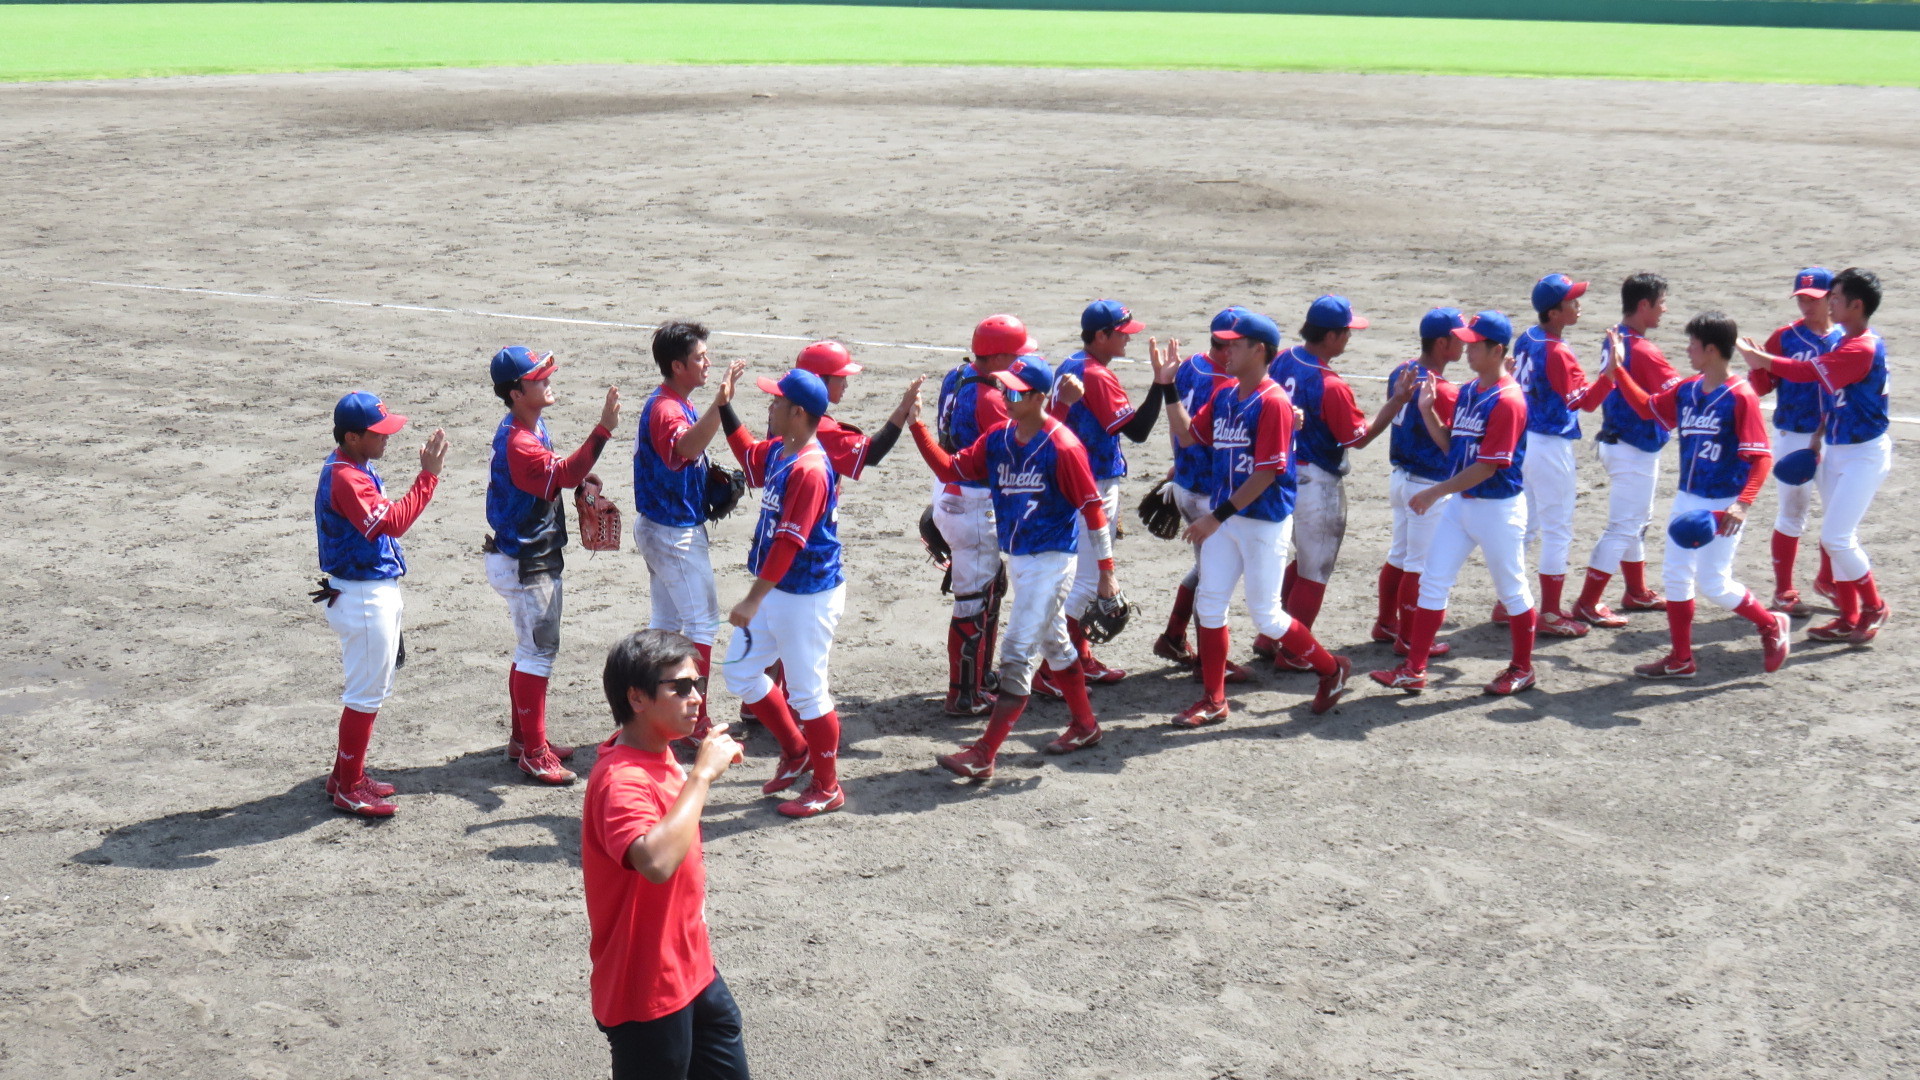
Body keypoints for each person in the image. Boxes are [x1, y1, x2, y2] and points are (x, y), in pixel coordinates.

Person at [908, 356, 1116, 778]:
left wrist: (1107, 574)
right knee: (1056, 643)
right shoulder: (998, 437)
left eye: (1016, 391)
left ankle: (984, 753)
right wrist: (917, 427)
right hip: (1020, 559)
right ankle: (1085, 725)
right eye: (1004, 387)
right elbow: (952, 468)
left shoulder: (1064, 446)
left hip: (1053, 563)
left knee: (1017, 653)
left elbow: (1093, 510)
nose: (1005, 394)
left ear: (1041, 397)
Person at [1172, 310, 1352, 726]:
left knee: (1267, 615)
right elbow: (1186, 435)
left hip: (1262, 521)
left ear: (1258, 349)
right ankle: (1214, 699)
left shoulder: (1272, 402)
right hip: (1227, 518)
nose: (1225, 350)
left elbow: (1267, 472)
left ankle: (1332, 669)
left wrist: (1215, 517)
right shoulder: (1225, 395)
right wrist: (1167, 389)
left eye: (1234, 344)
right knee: (1211, 603)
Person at [584, 630, 750, 1080]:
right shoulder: (620, 781)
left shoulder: (659, 753)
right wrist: (701, 778)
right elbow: (655, 863)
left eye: (697, 684)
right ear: (636, 698)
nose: (695, 697)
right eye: (679, 687)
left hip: (693, 968)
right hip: (646, 990)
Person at [1605, 314, 1791, 677]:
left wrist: (1744, 502)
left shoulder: (1741, 397)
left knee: (1714, 583)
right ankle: (1681, 659)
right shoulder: (1688, 390)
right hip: (1687, 499)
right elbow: (1649, 408)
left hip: (1723, 505)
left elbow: (1761, 457)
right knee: (1675, 576)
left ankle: (1771, 625)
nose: (1687, 350)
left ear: (1710, 349)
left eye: (1693, 344)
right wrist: (1619, 373)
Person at [1370, 310, 1540, 696]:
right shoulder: (1468, 392)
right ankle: (1414, 668)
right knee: (1432, 582)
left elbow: (1487, 467)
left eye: (1475, 345)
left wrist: (1435, 491)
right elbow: (1452, 447)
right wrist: (1428, 411)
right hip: (1463, 505)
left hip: (1497, 509)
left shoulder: (1508, 401)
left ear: (1496, 350)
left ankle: (1522, 668)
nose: (1467, 351)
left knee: (1512, 588)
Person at [485, 346, 620, 786]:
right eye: (538, 377)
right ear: (515, 392)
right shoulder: (519, 441)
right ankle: (534, 753)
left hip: (529, 554)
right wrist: (602, 431)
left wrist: (580, 480)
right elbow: (557, 474)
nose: (547, 379)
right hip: (527, 562)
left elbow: (559, 475)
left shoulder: (530, 424)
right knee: (537, 653)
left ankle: (523, 740)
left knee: (530, 649)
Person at [1738, 267, 1894, 644]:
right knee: (1835, 534)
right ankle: (1850, 614)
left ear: (1854, 305)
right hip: (1833, 447)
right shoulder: (1845, 340)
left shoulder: (1860, 346)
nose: (1826, 304)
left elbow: (1809, 372)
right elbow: (1825, 395)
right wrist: (1817, 440)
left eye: (1834, 298)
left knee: (1837, 537)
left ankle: (1872, 607)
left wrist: (1760, 359)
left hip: (1861, 454)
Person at [312, 392, 447, 817]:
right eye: (378, 432)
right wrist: (428, 477)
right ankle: (349, 788)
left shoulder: (356, 465)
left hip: (367, 590)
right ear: (352, 437)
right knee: (365, 694)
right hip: (362, 596)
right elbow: (392, 523)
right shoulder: (346, 478)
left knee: (373, 688)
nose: (388, 438)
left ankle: (343, 775)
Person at [720, 369, 848, 818]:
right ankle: (796, 750)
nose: (769, 407)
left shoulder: (810, 469)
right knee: (739, 673)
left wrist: (753, 598)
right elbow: (748, 454)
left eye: (776, 403)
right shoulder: (781, 451)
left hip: (806, 595)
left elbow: (790, 543)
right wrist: (723, 407)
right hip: (777, 589)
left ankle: (828, 786)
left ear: (798, 412)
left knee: (809, 694)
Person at [1261, 294, 1398, 668]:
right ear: (1332, 336)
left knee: (1296, 559)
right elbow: (1359, 437)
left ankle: (1269, 636)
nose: (1350, 338)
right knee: (1314, 570)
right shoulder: (1330, 384)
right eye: (1347, 332)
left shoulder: (1284, 357)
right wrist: (1395, 403)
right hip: (1316, 484)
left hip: (1279, 475)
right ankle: (1292, 652)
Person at [632, 320, 747, 742]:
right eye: (700, 358)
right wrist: (721, 403)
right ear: (678, 366)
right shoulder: (665, 408)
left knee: (666, 624)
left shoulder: (674, 401)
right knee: (700, 625)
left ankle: (652, 711)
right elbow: (684, 447)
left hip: (664, 528)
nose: (707, 363)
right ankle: (695, 723)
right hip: (672, 534)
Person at [1052, 299, 1177, 684]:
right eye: (1121, 333)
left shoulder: (1071, 363)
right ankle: (1053, 669)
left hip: (1070, 481)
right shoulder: (1096, 374)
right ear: (1101, 336)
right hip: (1091, 485)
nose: (1128, 338)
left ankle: (1079, 658)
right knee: (1089, 582)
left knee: (1079, 576)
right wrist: (1161, 384)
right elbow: (1137, 431)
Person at [1571, 272, 1682, 628]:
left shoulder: (1617, 336)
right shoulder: (1645, 350)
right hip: (1632, 448)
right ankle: (1588, 603)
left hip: (1620, 442)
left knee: (1637, 521)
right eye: (1661, 302)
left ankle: (1636, 591)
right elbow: (1680, 398)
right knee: (1624, 526)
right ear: (1644, 305)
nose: (1664, 310)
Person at [927, 316, 1024, 715]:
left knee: (989, 588)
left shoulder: (957, 375)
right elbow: (1013, 449)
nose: (1020, 360)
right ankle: (963, 694)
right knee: (973, 599)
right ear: (998, 356)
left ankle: (981, 679)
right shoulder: (989, 400)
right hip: (973, 503)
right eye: (1015, 354)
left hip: (949, 492)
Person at [1510, 274, 1611, 638]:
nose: (1578, 304)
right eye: (1572, 300)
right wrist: (1610, 375)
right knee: (1557, 530)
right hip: (1549, 446)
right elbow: (1584, 403)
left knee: (1526, 525)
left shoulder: (1528, 336)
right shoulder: (1557, 351)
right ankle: (1550, 613)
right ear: (1554, 312)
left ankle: (1511, 603)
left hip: (1522, 442)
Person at [1151, 308, 1246, 681]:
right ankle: (1209, 663)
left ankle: (1174, 637)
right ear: (1229, 348)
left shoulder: (1189, 365)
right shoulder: (1226, 385)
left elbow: (1177, 420)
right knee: (1217, 575)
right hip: (1209, 493)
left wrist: (1179, 460)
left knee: (1206, 567)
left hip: (1185, 483)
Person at [1748, 268, 1843, 614]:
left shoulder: (1847, 337)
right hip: (1793, 435)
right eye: (1801, 299)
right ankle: (1784, 591)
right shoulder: (1784, 338)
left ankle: (1827, 579)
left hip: (1836, 437)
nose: (1806, 306)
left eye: (1813, 299)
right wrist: (1757, 366)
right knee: (1793, 512)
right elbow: (1759, 389)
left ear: (1832, 298)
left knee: (1838, 513)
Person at [1376, 308, 1465, 657]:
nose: (1466, 343)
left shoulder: (1403, 370)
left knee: (1400, 555)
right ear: (1443, 344)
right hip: (1427, 488)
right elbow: (1455, 445)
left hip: (1400, 479)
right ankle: (1410, 639)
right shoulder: (1443, 391)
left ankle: (1386, 623)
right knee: (1420, 565)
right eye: (1460, 338)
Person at [795, 339, 914, 482]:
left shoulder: (784, 412)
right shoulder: (814, 425)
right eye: (841, 378)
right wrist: (903, 409)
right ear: (819, 380)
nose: (845, 385)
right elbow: (873, 452)